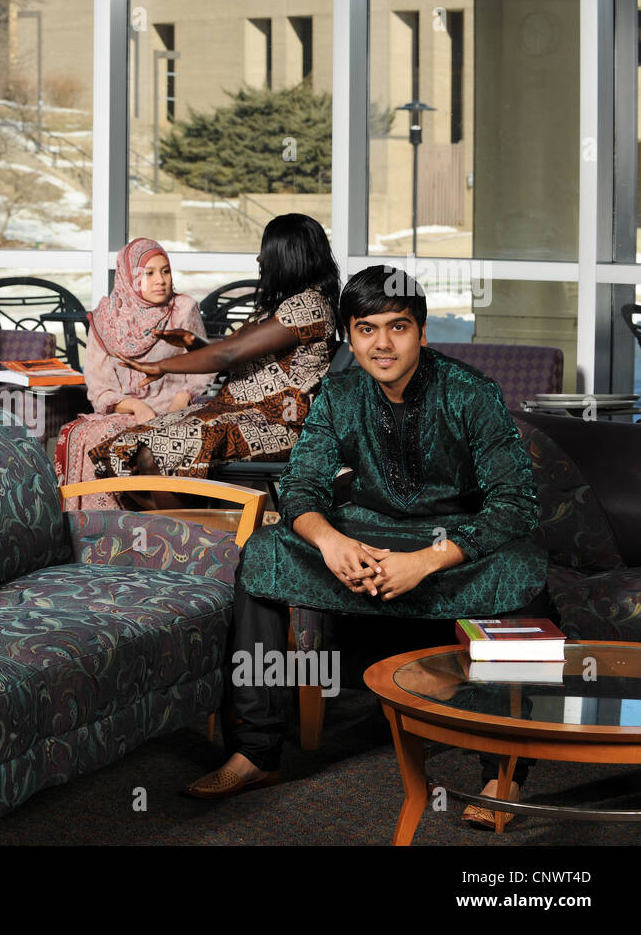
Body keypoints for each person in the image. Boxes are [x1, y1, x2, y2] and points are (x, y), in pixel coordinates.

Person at [186, 266, 550, 832]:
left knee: (520, 570)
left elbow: (516, 505)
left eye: (398, 327)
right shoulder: (338, 391)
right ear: (350, 338)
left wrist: (426, 560)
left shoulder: (471, 392)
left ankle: (500, 771)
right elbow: (303, 485)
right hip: (362, 537)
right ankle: (256, 753)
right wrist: (331, 543)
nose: (382, 344)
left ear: (423, 332)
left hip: (449, 547)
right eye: (366, 329)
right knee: (265, 554)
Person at [89, 213, 341, 510]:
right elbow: (236, 354)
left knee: (153, 454)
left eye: (267, 250)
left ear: (289, 256)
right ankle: (183, 528)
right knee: (127, 445)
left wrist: (161, 367)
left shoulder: (308, 306)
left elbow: (229, 354)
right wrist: (192, 343)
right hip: (235, 411)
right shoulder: (275, 306)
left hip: (276, 423)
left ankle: (185, 538)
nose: (260, 258)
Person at [56, 237, 212, 510]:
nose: (160, 280)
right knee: (75, 434)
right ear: (129, 278)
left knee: (110, 437)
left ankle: (131, 526)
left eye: (165, 271)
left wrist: (183, 398)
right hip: (126, 410)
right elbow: (99, 386)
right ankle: (90, 530)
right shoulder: (105, 319)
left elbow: (204, 364)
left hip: (175, 409)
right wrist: (136, 406)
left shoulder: (183, 309)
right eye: (148, 273)